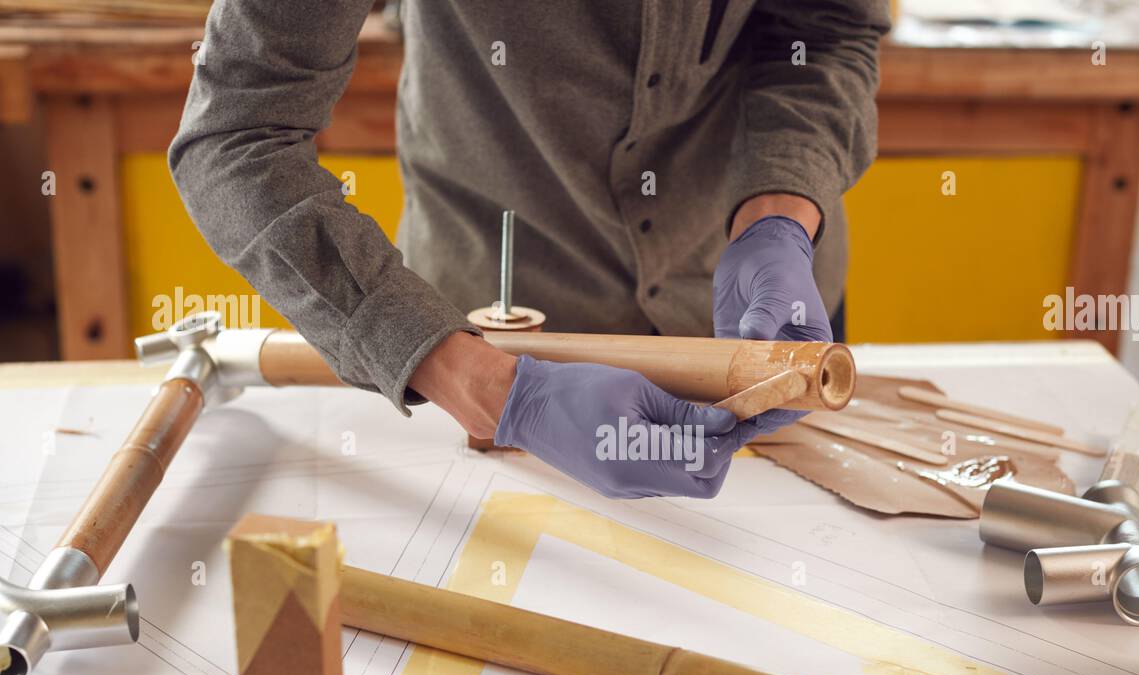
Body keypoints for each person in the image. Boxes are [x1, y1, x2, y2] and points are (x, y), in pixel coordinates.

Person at [170, 0, 889, 498]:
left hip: (763, 305)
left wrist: (779, 219)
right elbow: (237, 136)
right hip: (480, 353)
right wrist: (493, 391)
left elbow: (822, 30)